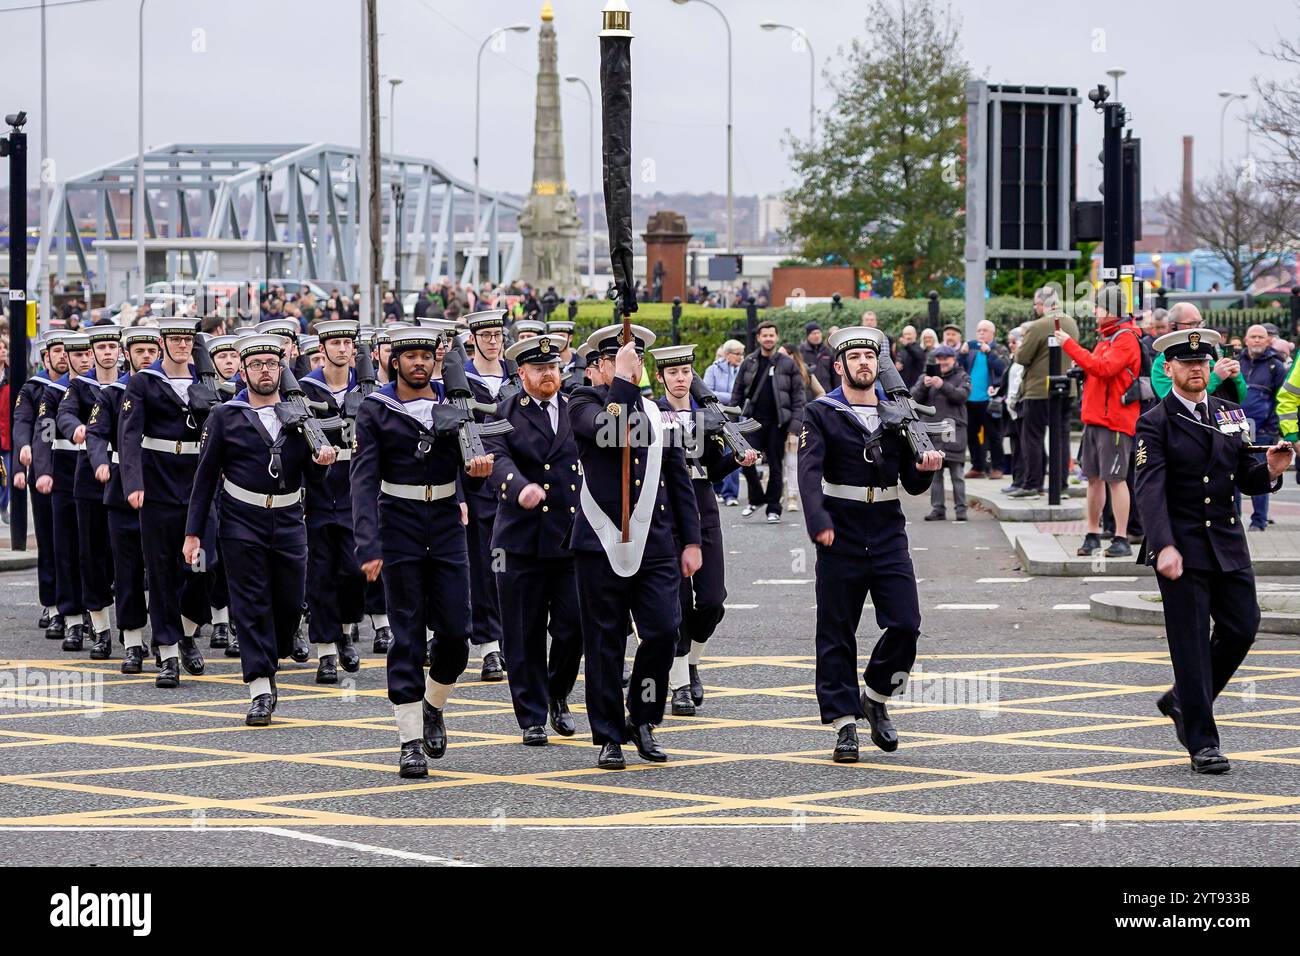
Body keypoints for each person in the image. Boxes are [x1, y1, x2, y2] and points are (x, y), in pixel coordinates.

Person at [1134, 328, 1293, 774]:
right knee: (1189, 646)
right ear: (1170, 370)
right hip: (1181, 548)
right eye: (1187, 365)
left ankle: (1183, 701)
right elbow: (1148, 491)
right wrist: (1163, 546)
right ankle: (1202, 742)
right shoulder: (1155, 421)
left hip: (1226, 542)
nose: (1196, 370)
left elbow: (1246, 475)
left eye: (1202, 363)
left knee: (1243, 627)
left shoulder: (1230, 412)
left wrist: (1271, 471)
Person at [350, 327, 493, 778]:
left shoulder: (454, 404)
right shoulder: (376, 409)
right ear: (394, 361)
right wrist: (368, 543)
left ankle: (434, 703)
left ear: (436, 361)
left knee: (455, 633)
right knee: (407, 635)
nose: (418, 363)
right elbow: (362, 479)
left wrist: (478, 470)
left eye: (425, 356)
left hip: (447, 522)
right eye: (409, 356)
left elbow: (473, 473)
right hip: (400, 522)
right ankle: (409, 739)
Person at [796, 327, 944, 763]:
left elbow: (912, 485)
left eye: (870, 356)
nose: (863, 362)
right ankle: (843, 724)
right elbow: (807, 472)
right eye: (855, 356)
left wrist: (928, 466)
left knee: (905, 624)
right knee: (837, 630)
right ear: (839, 366)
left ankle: (877, 696)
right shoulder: (821, 411)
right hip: (839, 529)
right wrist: (818, 521)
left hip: (886, 528)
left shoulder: (897, 412)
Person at [568, 323, 702, 769]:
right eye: (619, 360)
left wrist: (693, 541)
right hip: (600, 540)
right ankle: (608, 734)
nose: (631, 365)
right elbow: (613, 430)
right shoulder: (582, 403)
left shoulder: (657, 410)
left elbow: (678, 478)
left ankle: (642, 716)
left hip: (657, 540)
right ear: (597, 367)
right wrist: (622, 383)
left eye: (635, 360)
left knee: (664, 631)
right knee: (604, 641)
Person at [184, 335, 337, 725]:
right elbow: (204, 479)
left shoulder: (301, 415)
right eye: (257, 365)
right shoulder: (226, 415)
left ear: (282, 369)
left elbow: (316, 480)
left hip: (288, 520)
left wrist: (323, 461)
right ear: (245, 371)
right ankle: (260, 689)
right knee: (250, 605)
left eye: (272, 363)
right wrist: (194, 533)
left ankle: (279, 646)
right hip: (240, 520)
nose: (264, 370)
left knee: (288, 604)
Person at [483, 333, 584, 745]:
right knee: (522, 632)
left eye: (554, 367)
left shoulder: (577, 408)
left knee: (573, 626)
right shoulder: (503, 411)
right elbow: (495, 457)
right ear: (521, 372)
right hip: (519, 540)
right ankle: (531, 716)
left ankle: (557, 694)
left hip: (568, 537)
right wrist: (518, 486)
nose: (549, 374)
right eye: (540, 368)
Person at [653, 343, 756, 716]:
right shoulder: (653, 414)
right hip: (665, 513)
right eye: (673, 373)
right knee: (676, 602)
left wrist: (736, 459)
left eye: (686, 373)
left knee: (713, 599)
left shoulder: (706, 416)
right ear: (661, 377)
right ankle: (680, 682)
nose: (681, 379)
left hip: (702, 507)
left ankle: (692, 659)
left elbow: (711, 470)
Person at [119, 317, 215, 687]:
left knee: (205, 567)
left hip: (197, 482)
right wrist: (133, 481)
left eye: (186, 339)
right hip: (157, 482)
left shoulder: (204, 380)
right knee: (160, 570)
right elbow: (128, 435)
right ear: (163, 342)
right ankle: (169, 652)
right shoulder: (143, 381)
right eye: (175, 339)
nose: (181, 345)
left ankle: (188, 631)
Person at [85, 326, 158, 674]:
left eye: (151, 350)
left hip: (162, 492)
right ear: (128, 354)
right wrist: (100, 462)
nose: (146, 356)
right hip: (121, 493)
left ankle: (170, 637)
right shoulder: (113, 392)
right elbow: (97, 432)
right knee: (127, 573)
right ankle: (132, 641)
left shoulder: (170, 390)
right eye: (140, 351)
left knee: (167, 571)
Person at [298, 318, 367, 681]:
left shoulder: (368, 390)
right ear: (321, 350)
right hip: (320, 495)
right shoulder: (305, 392)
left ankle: (344, 629)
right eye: (335, 343)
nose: (342, 349)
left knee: (354, 572)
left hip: (357, 496)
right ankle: (326, 650)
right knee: (321, 575)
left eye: (347, 343)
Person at [1053, 285, 1141, 557]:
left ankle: (1121, 537)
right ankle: (1093, 533)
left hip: (1114, 421)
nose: (1094, 312)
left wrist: (1069, 344)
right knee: (1093, 479)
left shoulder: (1125, 339)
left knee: (1115, 479)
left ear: (1111, 310)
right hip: (1096, 419)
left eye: (1099, 307)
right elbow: (1098, 368)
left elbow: (1103, 368)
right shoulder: (1109, 338)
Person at [55, 324, 123, 657]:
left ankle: (131, 628)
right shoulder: (80, 388)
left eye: (113, 346)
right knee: (92, 555)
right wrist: (78, 429)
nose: (108, 352)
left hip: (126, 476)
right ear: (92, 354)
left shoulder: (133, 386)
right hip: (89, 479)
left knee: (124, 557)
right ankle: (100, 629)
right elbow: (64, 416)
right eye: (102, 348)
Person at [461, 309, 520, 681]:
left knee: (514, 569)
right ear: (474, 338)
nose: (493, 340)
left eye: (497, 334)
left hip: (514, 486)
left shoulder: (516, 376)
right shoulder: (460, 381)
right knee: (485, 569)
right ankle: (489, 647)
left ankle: (515, 642)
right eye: (485, 335)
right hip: (479, 486)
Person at [31, 332, 93, 652]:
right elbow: (44, 435)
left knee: (97, 552)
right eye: (77, 356)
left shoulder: (104, 390)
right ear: (65, 359)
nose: (84, 360)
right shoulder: (53, 394)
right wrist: (43, 471)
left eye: (88, 355)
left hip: (99, 478)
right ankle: (71, 619)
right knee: (66, 550)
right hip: (65, 475)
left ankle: (98, 614)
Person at [12, 333, 66, 638]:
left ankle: (80, 607)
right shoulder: (34, 387)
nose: (60, 357)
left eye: (64, 351)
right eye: (55, 352)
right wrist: (21, 464)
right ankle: (53, 605)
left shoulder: (81, 386)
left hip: (76, 472)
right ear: (45, 358)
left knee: (77, 544)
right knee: (48, 540)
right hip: (44, 473)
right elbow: (22, 423)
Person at [1008, 287, 1081, 499]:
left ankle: (1033, 484)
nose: (1035, 308)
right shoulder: (1071, 323)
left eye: (1035, 304)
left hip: (1038, 389)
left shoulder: (1037, 326)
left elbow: (1022, 357)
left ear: (1042, 304)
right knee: (1062, 436)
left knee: (1033, 437)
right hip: (1066, 387)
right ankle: (1061, 484)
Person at [730, 321, 805, 522]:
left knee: (775, 466)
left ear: (777, 337)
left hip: (778, 423)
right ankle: (756, 498)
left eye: (772, 335)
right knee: (744, 459)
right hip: (753, 422)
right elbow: (737, 393)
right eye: (765, 335)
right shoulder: (749, 362)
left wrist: (794, 428)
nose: (769, 339)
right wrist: (731, 423)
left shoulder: (788, 364)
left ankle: (773, 508)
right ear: (758, 338)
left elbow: (799, 398)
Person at [911, 344, 970, 521]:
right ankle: (938, 509)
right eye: (939, 358)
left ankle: (961, 510)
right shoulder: (926, 377)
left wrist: (942, 385)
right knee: (934, 474)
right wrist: (924, 385)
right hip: (930, 432)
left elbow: (961, 396)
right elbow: (912, 399)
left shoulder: (962, 376)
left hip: (953, 431)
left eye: (946, 358)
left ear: (954, 360)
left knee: (957, 475)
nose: (942, 362)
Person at [1238, 325, 1287, 531]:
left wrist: (1271, 427)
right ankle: (1234, 518)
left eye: (1261, 337)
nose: (1257, 340)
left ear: (1268, 341)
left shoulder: (1276, 366)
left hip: (1263, 431)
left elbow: (1281, 399)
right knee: (1232, 475)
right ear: (1245, 340)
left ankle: (1259, 521)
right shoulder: (1236, 363)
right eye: (1253, 337)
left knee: (1262, 474)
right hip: (1236, 429)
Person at [1151, 303, 1246, 402]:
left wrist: (1237, 378)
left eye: (1200, 323)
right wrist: (1216, 377)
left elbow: (1240, 398)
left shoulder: (1216, 351)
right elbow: (1170, 399)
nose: (1198, 328)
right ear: (1173, 326)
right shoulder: (1162, 361)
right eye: (1191, 323)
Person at [958, 320, 1008, 480]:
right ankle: (977, 467)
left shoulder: (998, 349)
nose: (981, 333)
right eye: (979, 330)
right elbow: (959, 368)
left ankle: (997, 467)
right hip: (971, 399)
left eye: (985, 330)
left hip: (989, 400)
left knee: (993, 435)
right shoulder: (972, 350)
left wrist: (989, 353)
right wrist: (962, 353)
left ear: (992, 333)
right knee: (971, 435)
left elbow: (1003, 369)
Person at [703, 339, 744, 505]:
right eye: (737, 354)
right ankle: (718, 489)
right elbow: (707, 392)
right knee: (716, 452)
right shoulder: (712, 369)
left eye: (742, 353)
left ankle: (730, 494)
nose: (741, 357)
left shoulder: (744, 369)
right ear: (727, 354)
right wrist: (732, 398)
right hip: (716, 416)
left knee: (733, 453)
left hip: (736, 417)